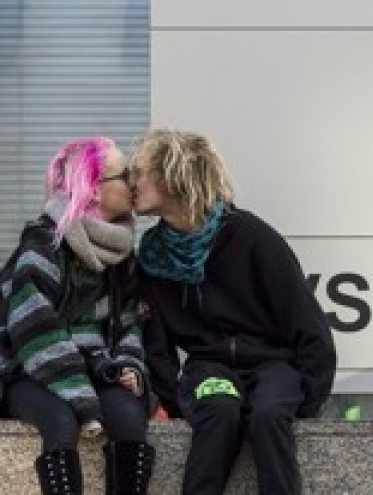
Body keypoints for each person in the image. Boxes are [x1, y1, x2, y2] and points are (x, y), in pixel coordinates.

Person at [131, 128, 337, 495]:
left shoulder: (252, 236)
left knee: (269, 414)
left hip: (274, 365)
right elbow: (155, 344)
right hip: (209, 367)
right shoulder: (152, 255)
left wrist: (309, 395)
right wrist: (174, 397)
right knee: (218, 410)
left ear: (173, 177)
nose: (132, 184)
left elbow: (308, 323)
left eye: (140, 172)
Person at [0, 137, 155, 495]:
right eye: (124, 175)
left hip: (96, 368)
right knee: (60, 421)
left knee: (128, 416)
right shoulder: (43, 247)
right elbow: (32, 331)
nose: (133, 182)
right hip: (32, 371)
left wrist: (127, 365)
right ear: (94, 189)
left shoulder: (121, 255)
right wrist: (83, 396)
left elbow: (130, 322)